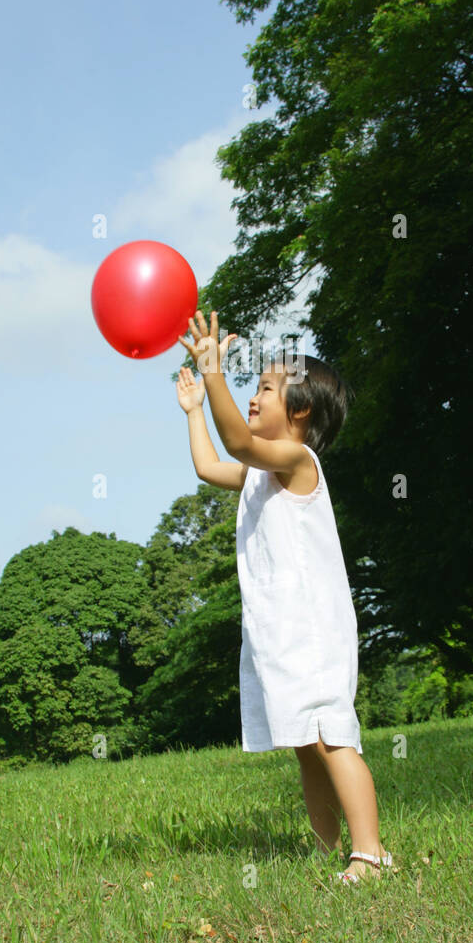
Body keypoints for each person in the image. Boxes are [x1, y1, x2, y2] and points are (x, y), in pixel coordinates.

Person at [176, 309, 395, 884]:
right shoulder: (255, 474)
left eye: (265, 389)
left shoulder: (300, 462)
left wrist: (215, 372)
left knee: (329, 735)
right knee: (302, 742)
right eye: (251, 388)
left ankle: (369, 853)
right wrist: (196, 407)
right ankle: (327, 851)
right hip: (277, 630)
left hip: (312, 629)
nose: (252, 397)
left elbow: (238, 440)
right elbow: (208, 465)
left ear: (299, 411)